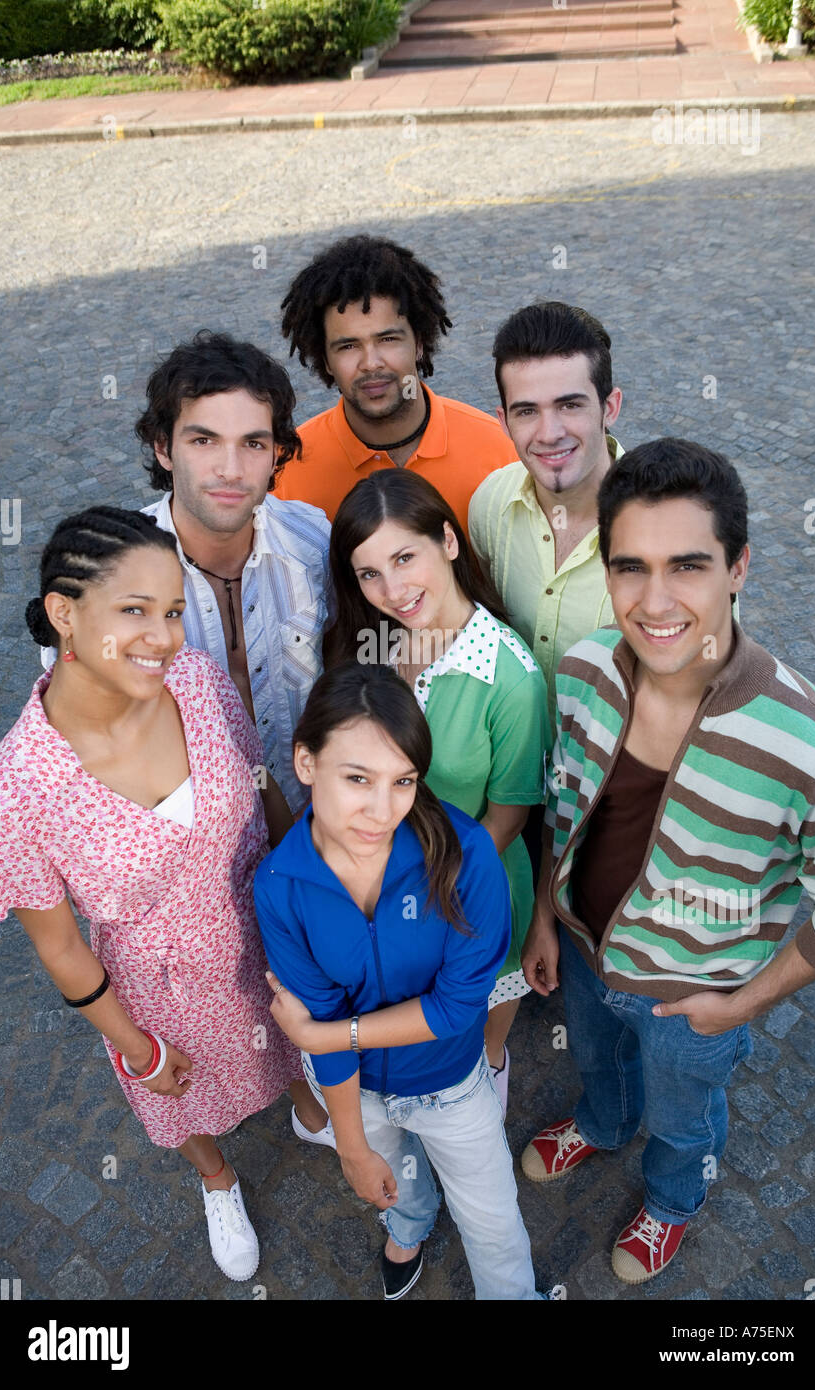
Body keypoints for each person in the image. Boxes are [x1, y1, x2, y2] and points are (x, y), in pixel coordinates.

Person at [520, 440, 815, 1285]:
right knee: (595, 1065)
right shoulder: (584, 670)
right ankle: (599, 1122)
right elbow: (561, 801)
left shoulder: (807, 744)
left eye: (688, 567)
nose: (655, 602)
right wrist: (547, 918)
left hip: (696, 1000)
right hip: (587, 957)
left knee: (683, 1119)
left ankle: (672, 1200)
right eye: (631, 568)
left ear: (738, 568)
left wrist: (742, 1003)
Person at [0, 507, 311, 1282]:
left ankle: (310, 1111)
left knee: (290, 1045)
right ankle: (217, 1178)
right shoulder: (13, 792)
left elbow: (258, 784)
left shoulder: (194, 682)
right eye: (134, 611)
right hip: (161, 997)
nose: (163, 637)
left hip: (266, 936)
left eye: (170, 610)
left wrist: (308, 890)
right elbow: (59, 946)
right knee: (184, 1097)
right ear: (65, 613)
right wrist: (140, 1048)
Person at [254, 663, 541, 1300]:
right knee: (396, 1187)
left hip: (452, 1082)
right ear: (306, 763)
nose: (381, 811)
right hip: (361, 1095)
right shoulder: (279, 885)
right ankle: (410, 1225)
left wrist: (334, 1035)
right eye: (357, 778)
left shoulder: (465, 859)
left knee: (493, 1221)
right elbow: (316, 1014)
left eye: (402, 781)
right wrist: (351, 1147)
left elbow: (459, 1006)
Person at [328, 471, 550, 1114]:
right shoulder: (373, 648)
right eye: (370, 574)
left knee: (476, 1044)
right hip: (379, 883)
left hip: (468, 891)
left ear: (448, 541)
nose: (392, 590)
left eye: (405, 557)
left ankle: (483, 1122)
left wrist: (434, 883)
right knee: (409, 1035)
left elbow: (510, 814)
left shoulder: (512, 679)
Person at [134, 329, 332, 837]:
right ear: (163, 448)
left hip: (314, 839)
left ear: (275, 454)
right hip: (191, 870)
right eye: (203, 440)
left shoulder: (315, 543)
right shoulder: (110, 575)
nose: (230, 469)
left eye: (253, 443)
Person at [274, 234, 515, 532]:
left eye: (388, 339)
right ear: (325, 360)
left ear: (419, 344)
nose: (371, 362)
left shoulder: (503, 455)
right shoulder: (284, 474)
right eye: (348, 346)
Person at [468, 301, 624, 731]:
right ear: (503, 421)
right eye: (527, 411)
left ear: (609, 407)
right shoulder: (489, 505)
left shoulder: (669, 528)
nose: (549, 433)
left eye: (570, 405)